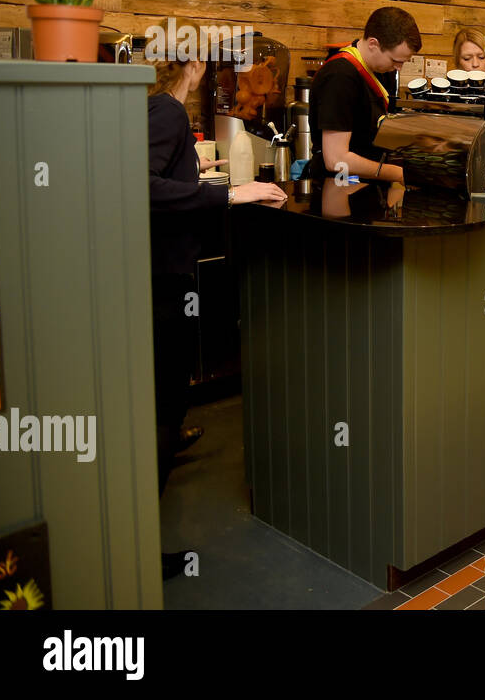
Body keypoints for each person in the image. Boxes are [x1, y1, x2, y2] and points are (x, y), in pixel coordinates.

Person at [148, 51, 285, 576]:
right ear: (195, 69)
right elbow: (143, 184)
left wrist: (194, 166)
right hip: (163, 281)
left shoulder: (148, 108)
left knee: (160, 409)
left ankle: (131, 533)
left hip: (149, 278)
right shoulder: (168, 110)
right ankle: (140, 544)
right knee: (165, 409)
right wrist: (228, 192)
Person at [309, 7, 422, 183]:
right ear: (373, 44)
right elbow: (336, 160)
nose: (399, 68)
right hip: (337, 185)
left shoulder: (385, 70)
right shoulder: (340, 76)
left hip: (371, 182)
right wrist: (396, 174)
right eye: (395, 61)